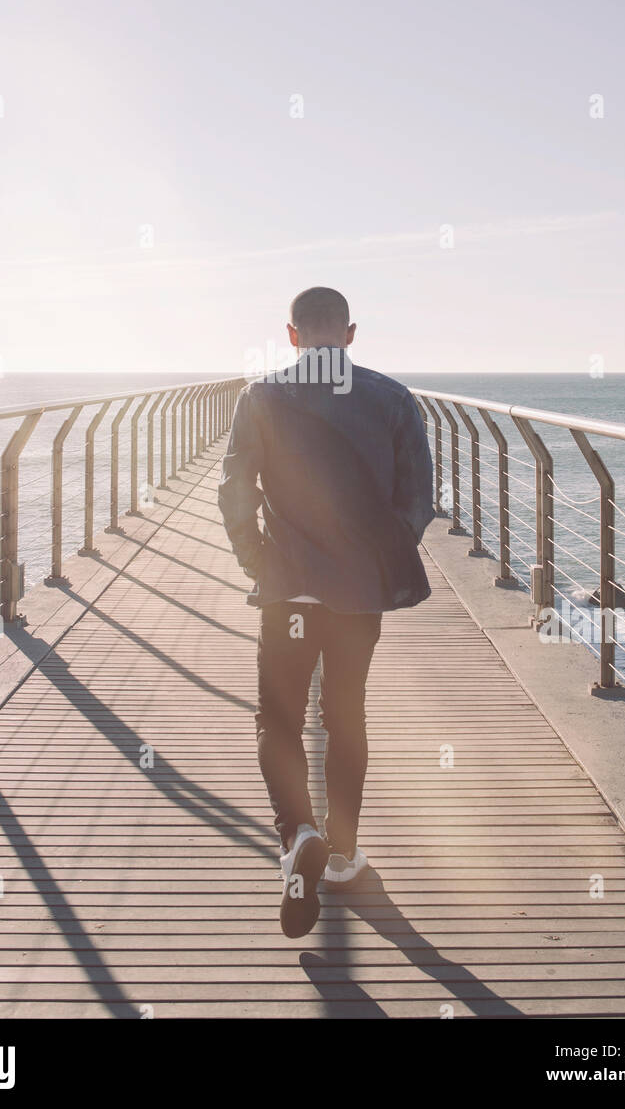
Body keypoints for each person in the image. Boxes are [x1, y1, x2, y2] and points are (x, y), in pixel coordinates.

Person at [218, 287, 435, 938]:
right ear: (349, 333)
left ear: (291, 335)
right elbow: (417, 500)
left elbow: (234, 490)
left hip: (287, 592)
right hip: (354, 596)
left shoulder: (260, 397)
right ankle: (340, 854)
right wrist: (374, 560)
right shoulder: (393, 398)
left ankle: (296, 834)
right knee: (345, 715)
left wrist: (257, 561)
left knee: (278, 718)